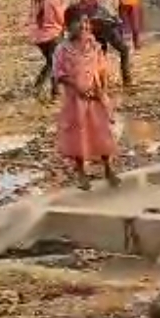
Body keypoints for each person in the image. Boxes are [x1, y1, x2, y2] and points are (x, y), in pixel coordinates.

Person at [54, 10, 121, 190]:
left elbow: (102, 71)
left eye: (86, 22)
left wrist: (102, 91)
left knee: (102, 132)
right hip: (75, 101)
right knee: (79, 135)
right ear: (68, 27)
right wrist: (77, 87)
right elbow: (59, 74)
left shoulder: (95, 47)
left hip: (95, 98)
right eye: (78, 23)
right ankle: (81, 172)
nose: (83, 26)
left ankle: (108, 168)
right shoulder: (63, 49)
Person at [29, 0, 66, 100]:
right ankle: (55, 93)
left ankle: (37, 86)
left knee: (50, 63)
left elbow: (32, 20)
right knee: (55, 64)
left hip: (39, 39)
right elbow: (61, 19)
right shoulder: (53, 1)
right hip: (52, 35)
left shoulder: (36, 1)